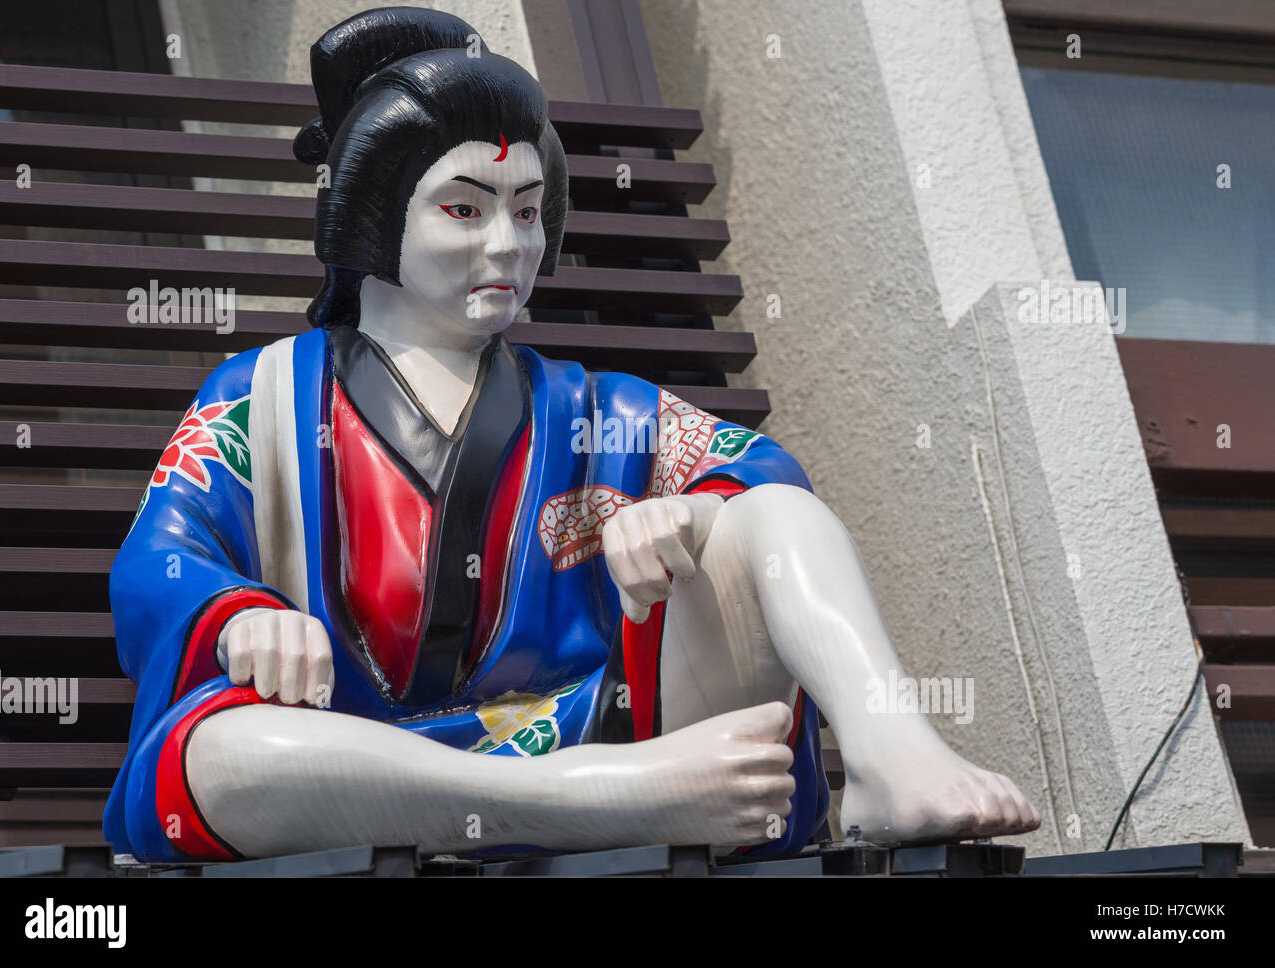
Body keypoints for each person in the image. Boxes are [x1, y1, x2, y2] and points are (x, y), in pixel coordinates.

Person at [104, 6, 1039, 863]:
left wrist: (693, 519)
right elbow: (160, 557)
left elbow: (765, 484)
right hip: (356, 764)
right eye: (463, 209)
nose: (507, 246)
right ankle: (591, 805)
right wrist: (239, 615)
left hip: (594, 722)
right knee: (221, 754)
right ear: (371, 217)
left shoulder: (601, 412)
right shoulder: (263, 398)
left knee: (775, 512)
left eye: (525, 209)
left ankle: (896, 756)